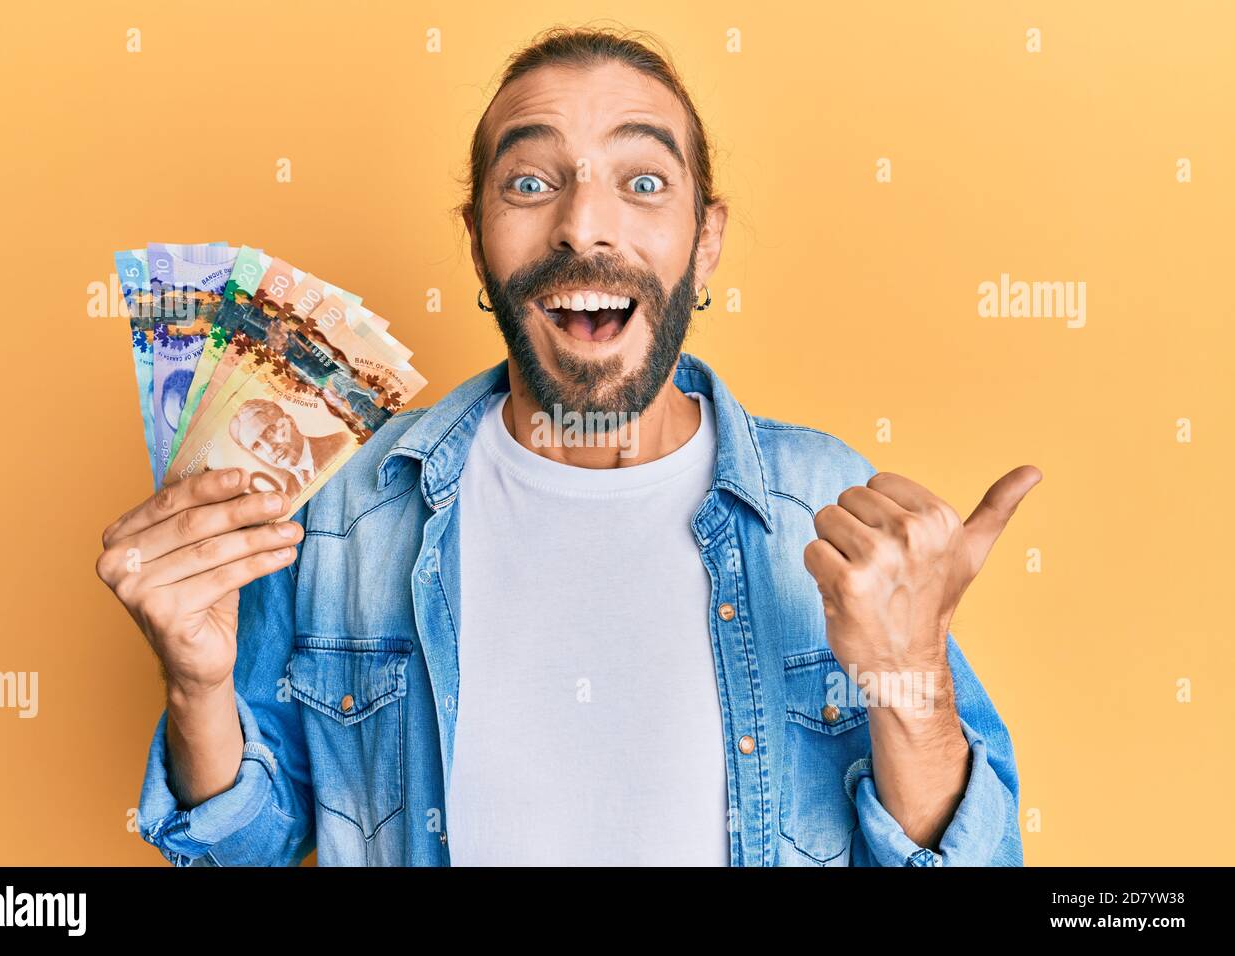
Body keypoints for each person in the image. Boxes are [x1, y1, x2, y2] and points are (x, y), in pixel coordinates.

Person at [96, 26, 1036, 866]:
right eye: (532, 183)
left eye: (644, 182)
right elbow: (248, 848)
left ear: (705, 243)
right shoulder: (351, 508)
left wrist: (911, 680)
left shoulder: (822, 502)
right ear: (477, 244)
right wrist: (197, 686)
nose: (584, 224)